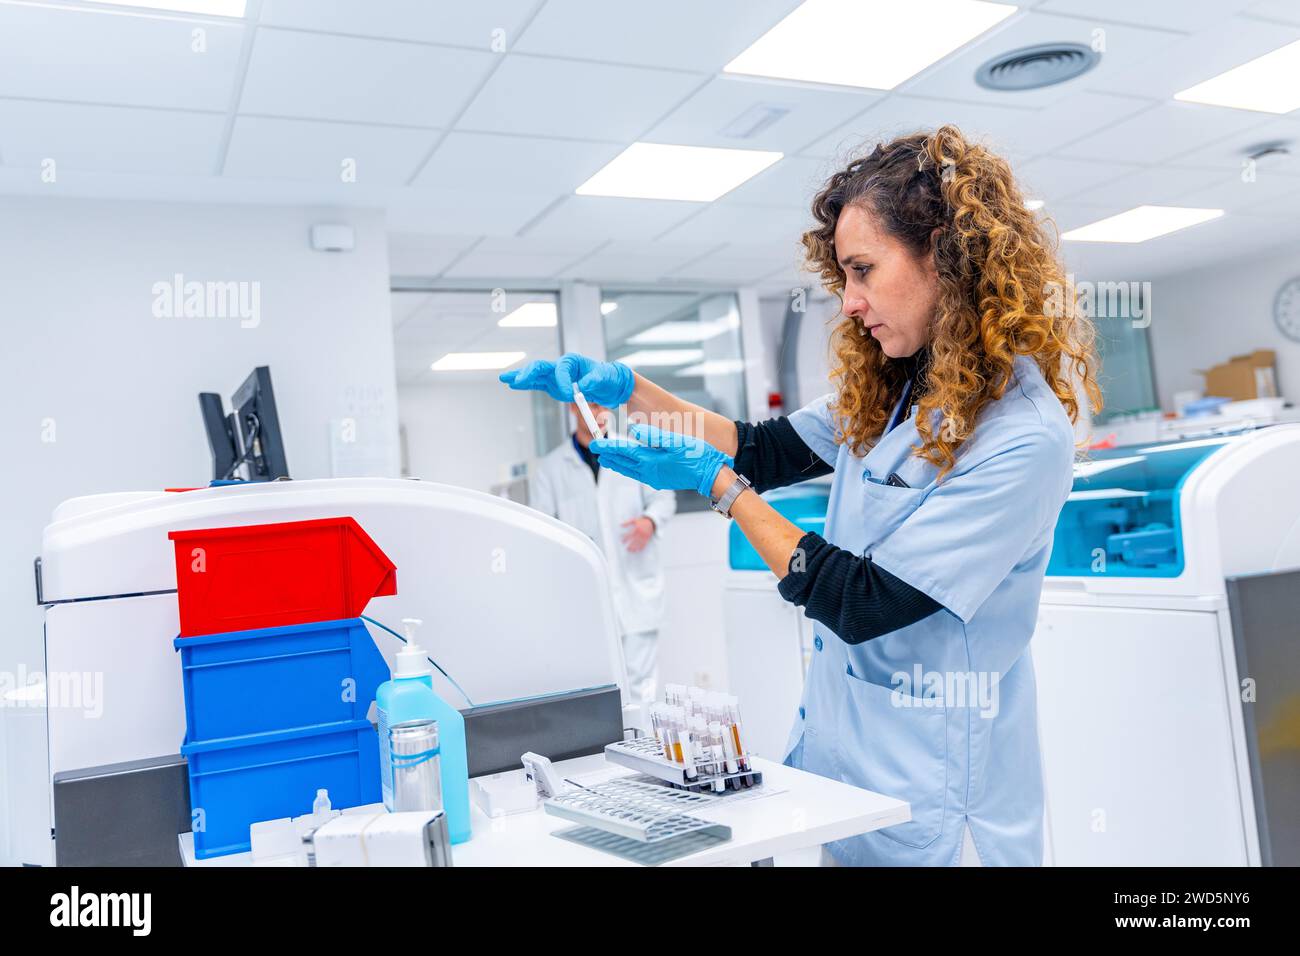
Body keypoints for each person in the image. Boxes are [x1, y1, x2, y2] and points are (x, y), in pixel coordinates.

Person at [501, 125, 1100, 866]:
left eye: (863, 271)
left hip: (941, 790)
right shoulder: (894, 388)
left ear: (944, 252)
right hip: (844, 764)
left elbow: (861, 600)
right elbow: (760, 447)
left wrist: (720, 491)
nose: (849, 302)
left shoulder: (1022, 437)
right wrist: (629, 392)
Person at [528, 399, 676, 704]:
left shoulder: (632, 450)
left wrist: (649, 521)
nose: (598, 413)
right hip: (585, 599)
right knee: (598, 689)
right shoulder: (553, 469)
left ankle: (642, 749)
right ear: (571, 408)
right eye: (590, 406)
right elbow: (541, 529)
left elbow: (664, 499)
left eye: (602, 406)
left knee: (642, 690)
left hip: (636, 591)